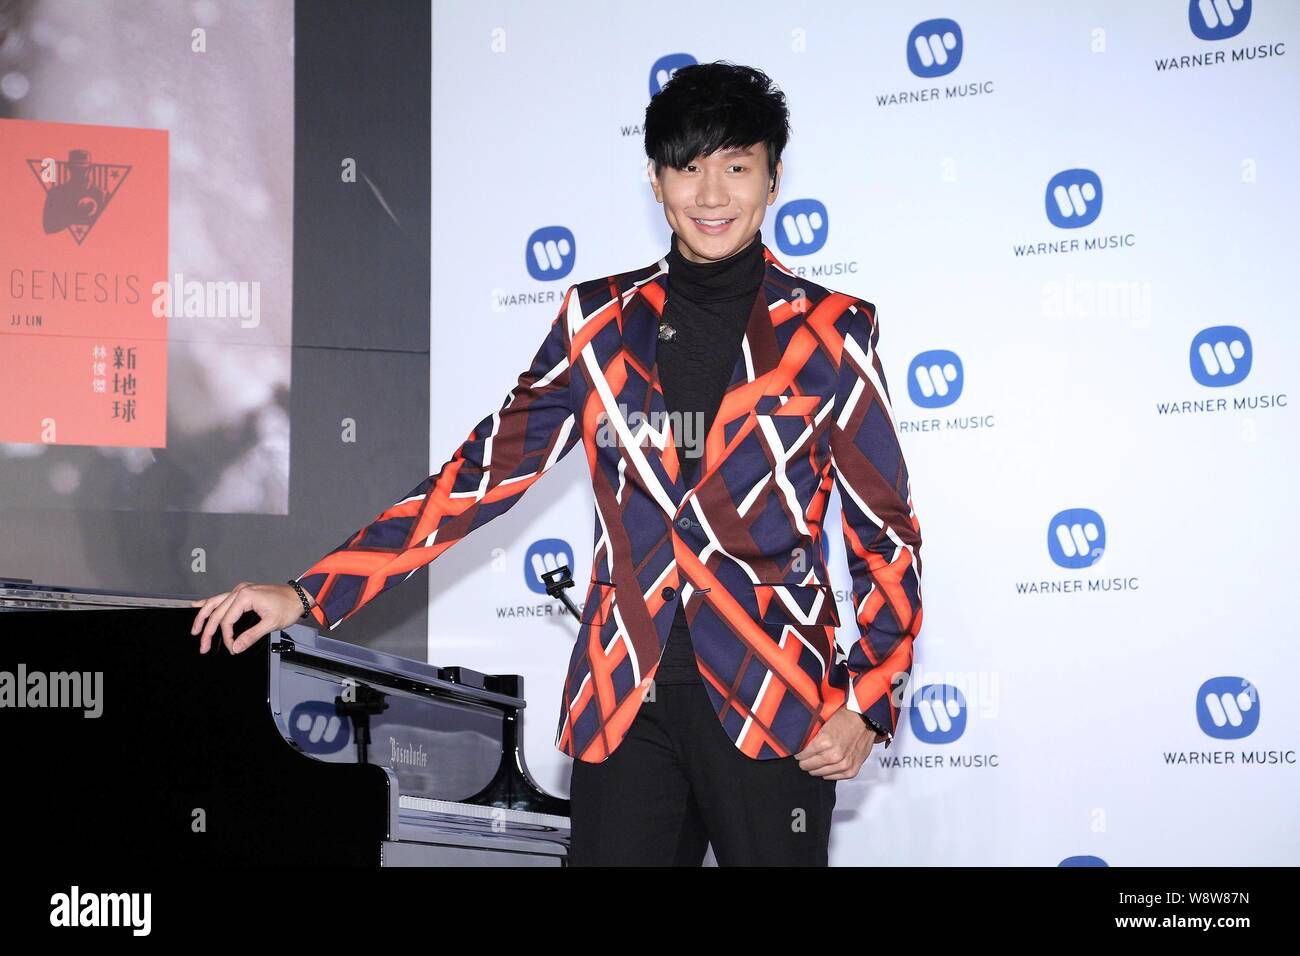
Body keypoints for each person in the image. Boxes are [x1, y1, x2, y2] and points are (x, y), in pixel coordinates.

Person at [190, 61, 923, 866]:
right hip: (623, 706)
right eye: (688, 167)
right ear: (655, 179)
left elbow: (884, 533)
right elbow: (480, 476)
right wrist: (310, 592)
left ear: (773, 179)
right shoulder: (595, 320)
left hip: (778, 704)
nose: (711, 194)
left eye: (736, 167)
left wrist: (868, 701)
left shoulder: (832, 331)